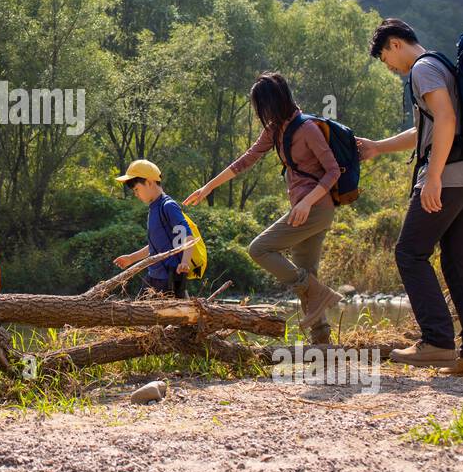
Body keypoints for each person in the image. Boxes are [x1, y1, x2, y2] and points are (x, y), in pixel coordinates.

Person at [357, 18, 463, 376]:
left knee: (409, 252)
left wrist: (432, 177)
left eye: (386, 58)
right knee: (459, 264)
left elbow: (446, 120)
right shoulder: (440, 65)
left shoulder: (422, 69)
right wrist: (377, 148)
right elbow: (425, 129)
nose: (389, 67)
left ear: (395, 44)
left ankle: (437, 342)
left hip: (447, 179)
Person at [185, 72, 342, 343]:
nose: (262, 113)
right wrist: (208, 187)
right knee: (307, 276)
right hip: (303, 208)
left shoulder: (307, 129)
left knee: (259, 248)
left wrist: (306, 201)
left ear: (276, 101)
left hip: (316, 209)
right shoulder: (275, 130)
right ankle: (322, 340)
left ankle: (318, 293)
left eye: (264, 106)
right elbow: (246, 160)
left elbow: (332, 171)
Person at [112, 159, 192, 297]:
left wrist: (184, 263)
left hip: (170, 279)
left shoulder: (168, 206)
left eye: (136, 189)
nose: (136, 194)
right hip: (153, 276)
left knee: (171, 317)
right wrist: (131, 258)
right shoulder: (153, 208)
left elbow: (189, 238)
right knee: (136, 315)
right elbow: (155, 246)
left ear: (149, 182)